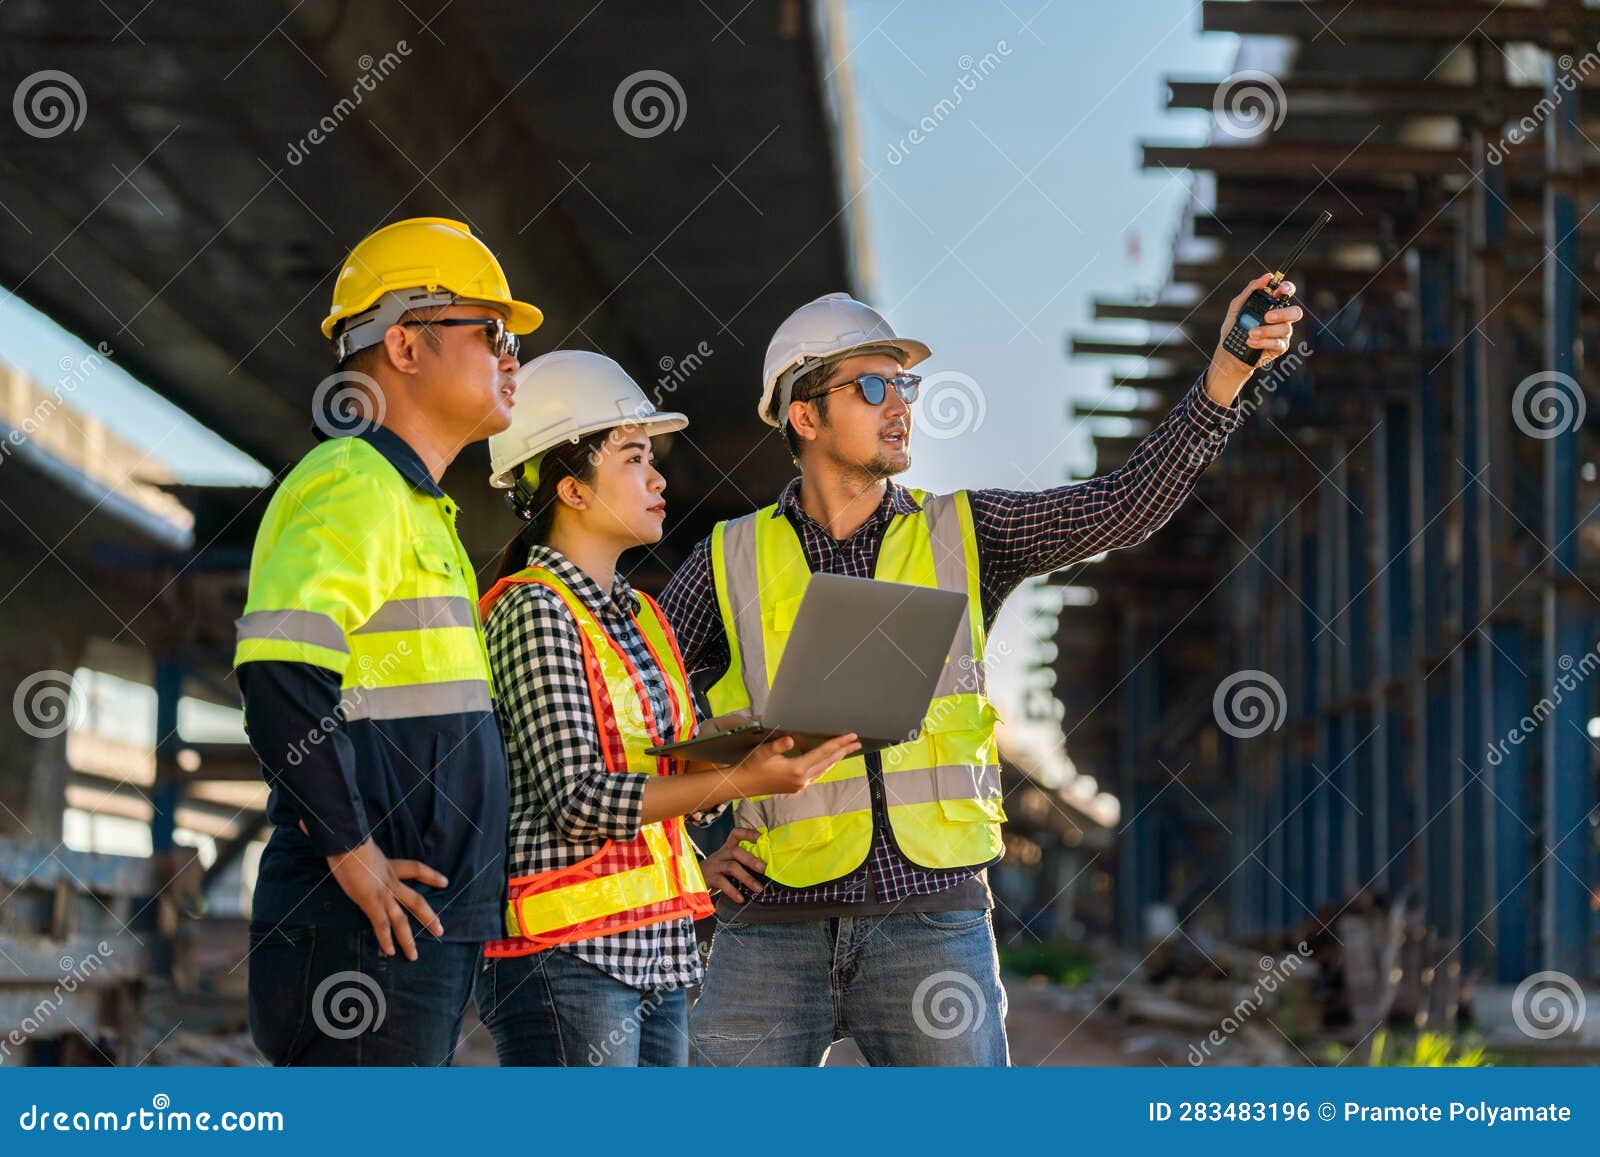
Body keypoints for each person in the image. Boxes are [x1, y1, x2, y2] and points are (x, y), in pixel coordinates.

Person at [661, 279, 1302, 1066]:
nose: (900, 405)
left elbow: (1123, 504)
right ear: (804, 414)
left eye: (906, 386)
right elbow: (636, 709)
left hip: (931, 921)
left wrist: (1224, 381)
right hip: (769, 928)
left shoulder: (967, 530)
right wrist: (685, 844)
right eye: (871, 386)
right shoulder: (726, 560)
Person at [472, 350, 860, 1066]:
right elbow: (579, 800)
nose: (658, 479)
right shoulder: (535, 610)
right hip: (568, 957)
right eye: (632, 458)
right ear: (572, 489)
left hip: (657, 952)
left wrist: (730, 744)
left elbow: (657, 774)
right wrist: (745, 784)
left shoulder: (643, 616)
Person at [235, 217, 541, 1066]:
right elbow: (279, 672)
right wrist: (353, 852)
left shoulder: (418, 509)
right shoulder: (351, 482)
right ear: (405, 345)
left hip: (405, 925)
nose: (510, 358)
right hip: (358, 922)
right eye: (491, 333)